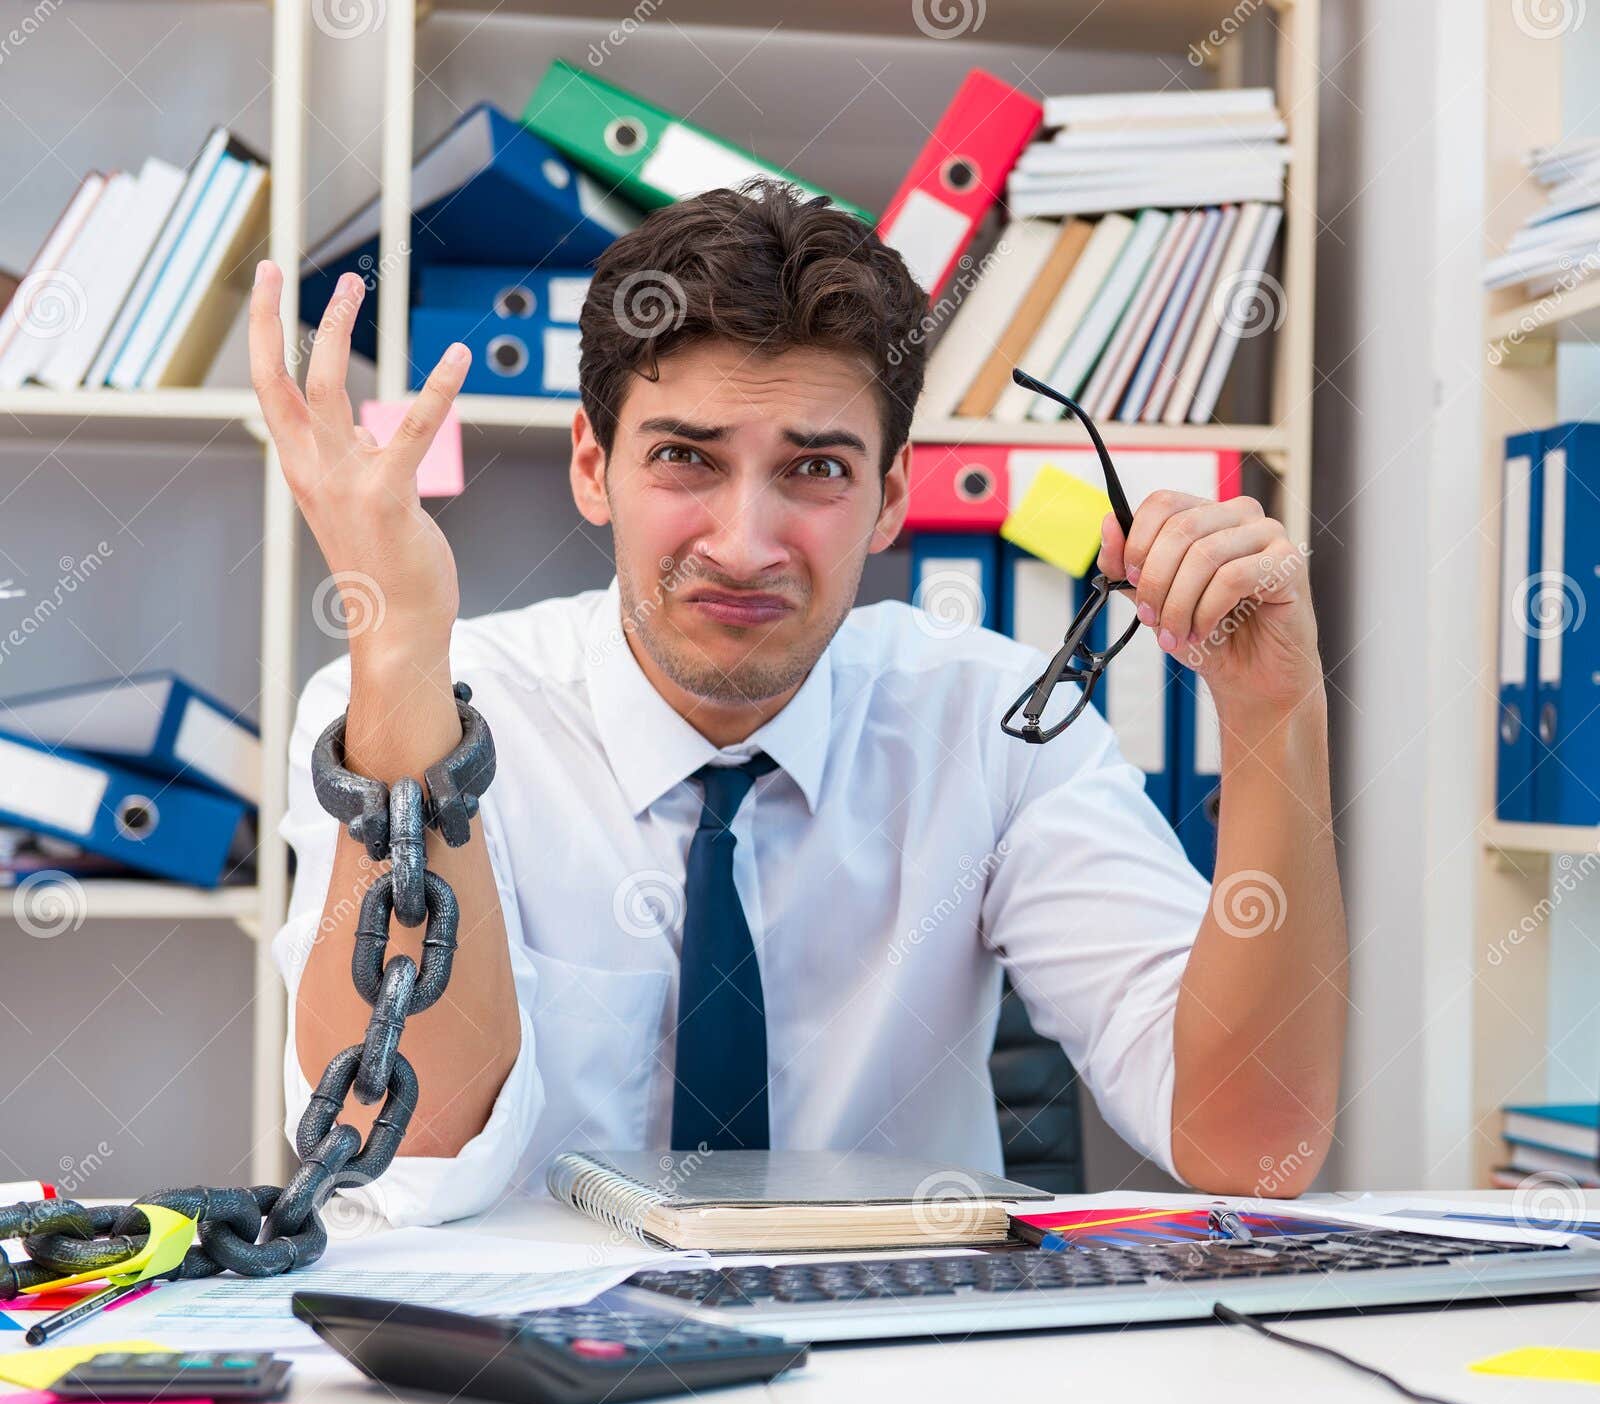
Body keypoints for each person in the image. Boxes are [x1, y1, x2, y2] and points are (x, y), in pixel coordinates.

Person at [251, 177, 1346, 1227]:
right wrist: (395, 636)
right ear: (593, 466)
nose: (745, 544)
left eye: (815, 469)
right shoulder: (420, 709)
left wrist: (1272, 717)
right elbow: (409, 1143)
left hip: (908, 1379)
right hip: (521, 1384)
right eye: (685, 457)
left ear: (891, 497)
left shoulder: (993, 722)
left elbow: (1252, 1147)